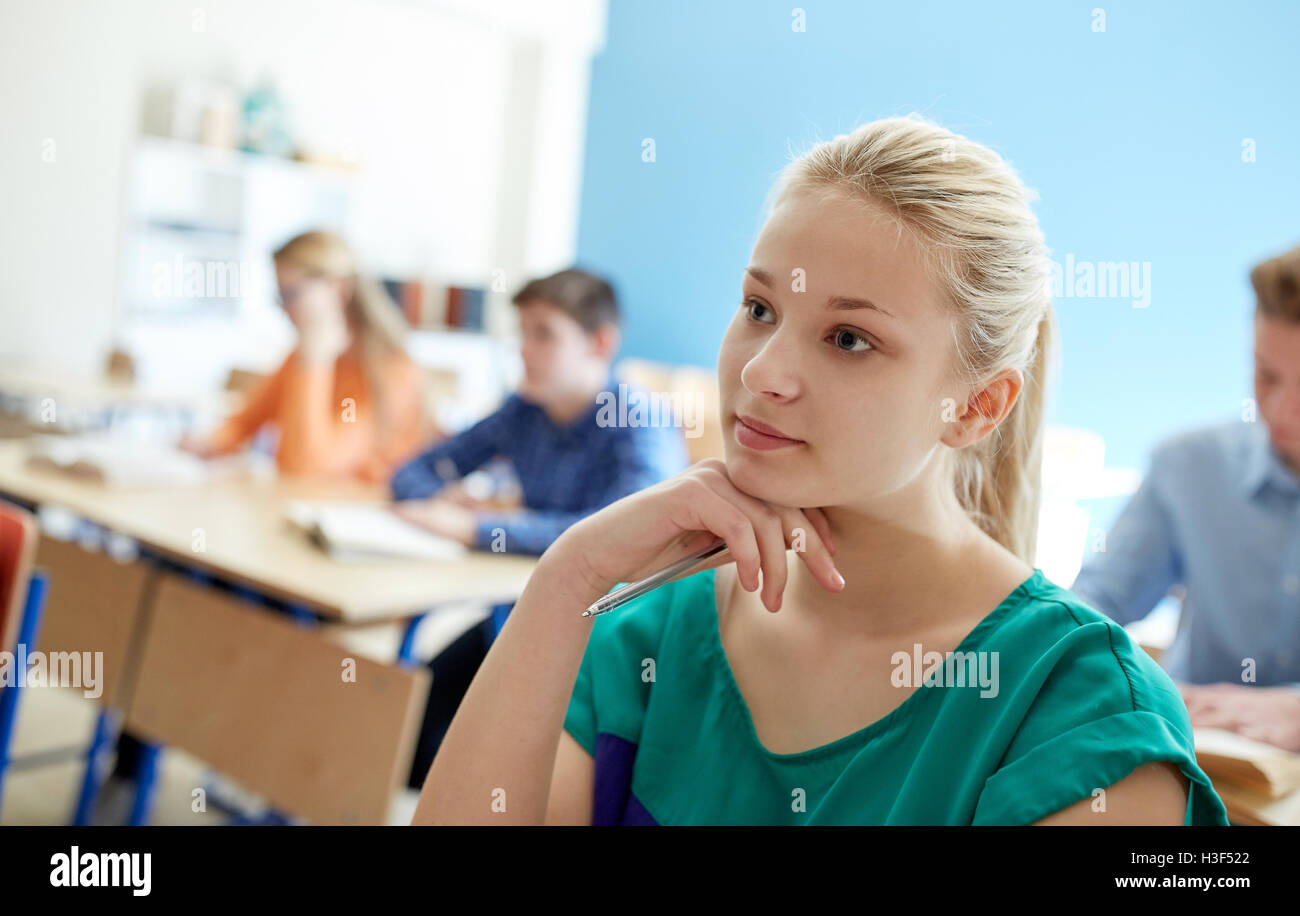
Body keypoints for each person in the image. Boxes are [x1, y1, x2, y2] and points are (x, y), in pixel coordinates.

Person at [411, 115, 1230, 825]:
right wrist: (568, 577)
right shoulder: (650, 632)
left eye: (849, 339)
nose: (763, 370)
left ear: (977, 406)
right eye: (760, 308)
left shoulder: (1081, 716)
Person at [393, 268, 691, 788]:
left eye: (544, 334)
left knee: (480, 745)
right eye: (522, 333)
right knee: (410, 728)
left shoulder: (639, 421)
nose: (524, 352)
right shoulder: (524, 410)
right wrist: (444, 496)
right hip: (528, 607)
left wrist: (477, 527)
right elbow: (413, 473)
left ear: (601, 343)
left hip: (612, 635)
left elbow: (622, 537)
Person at [1071, 242, 1300, 754]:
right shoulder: (1187, 466)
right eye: (1266, 377)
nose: (1283, 410)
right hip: (1195, 762)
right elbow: (1091, 610)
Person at [182, 229, 430, 483]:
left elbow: (306, 470)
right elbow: (243, 422)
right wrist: (208, 442)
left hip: (363, 510)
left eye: (291, 295)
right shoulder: (299, 358)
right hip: (310, 505)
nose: (284, 311)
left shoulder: (387, 371)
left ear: (338, 287)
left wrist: (314, 361)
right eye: (279, 297)